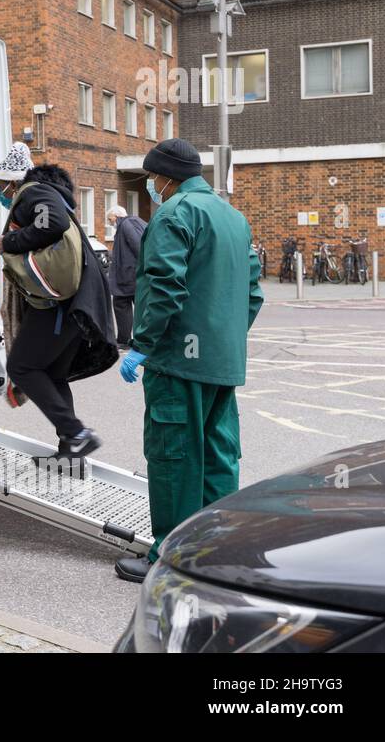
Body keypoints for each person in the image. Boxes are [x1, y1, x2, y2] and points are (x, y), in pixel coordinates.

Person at [115, 138, 263, 583]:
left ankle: (170, 556)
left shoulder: (174, 213)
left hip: (178, 360)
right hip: (221, 361)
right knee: (218, 456)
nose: (150, 187)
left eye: (151, 179)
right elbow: (252, 293)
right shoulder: (235, 218)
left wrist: (143, 343)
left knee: (174, 457)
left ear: (165, 177)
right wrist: (222, 339)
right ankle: (216, 550)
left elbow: (163, 286)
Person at [0, 143, 117, 459]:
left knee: (21, 366)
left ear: (12, 181)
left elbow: (53, 224)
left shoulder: (33, 192)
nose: (1, 192)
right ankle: (71, 448)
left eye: (1, 185)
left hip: (58, 303)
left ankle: (76, 433)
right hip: (78, 302)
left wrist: (7, 241)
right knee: (52, 373)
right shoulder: (51, 192)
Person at [106, 205, 146, 348]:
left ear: (117, 216)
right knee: (138, 306)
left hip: (128, 275)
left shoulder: (126, 225)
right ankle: (138, 340)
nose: (110, 222)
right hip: (133, 275)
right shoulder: (132, 223)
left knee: (121, 304)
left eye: (110, 219)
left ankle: (124, 341)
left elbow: (138, 247)